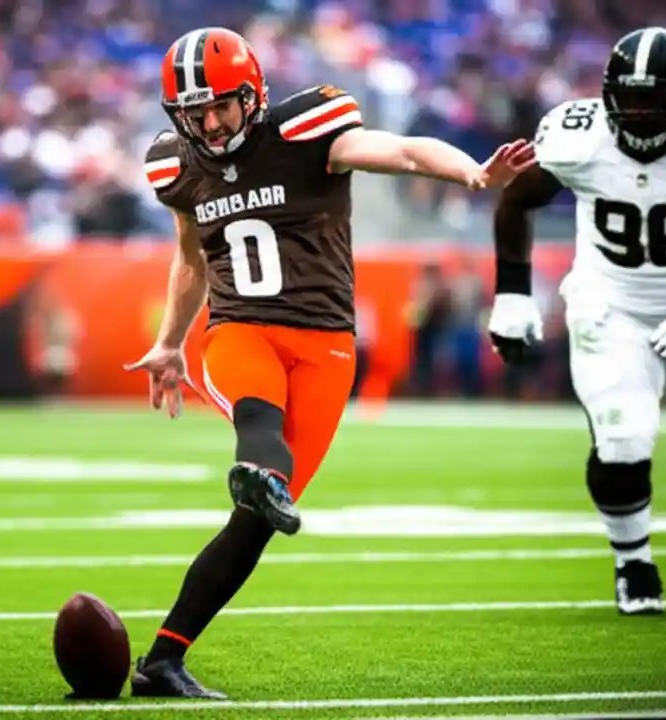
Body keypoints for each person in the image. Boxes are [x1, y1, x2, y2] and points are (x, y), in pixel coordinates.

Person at [123, 27, 536, 698]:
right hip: (239, 330)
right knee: (258, 430)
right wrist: (170, 341)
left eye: (222, 104)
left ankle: (163, 660)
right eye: (194, 111)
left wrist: (471, 173)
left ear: (252, 92)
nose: (209, 121)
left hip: (325, 346)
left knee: (257, 521)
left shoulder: (307, 130)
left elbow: (399, 150)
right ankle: (255, 472)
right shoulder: (177, 166)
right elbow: (192, 256)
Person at [487, 27, 666, 615]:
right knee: (623, 436)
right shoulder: (577, 137)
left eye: (653, 98)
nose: (638, 112)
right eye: (628, 97)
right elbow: (515, 200)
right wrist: (512, 295)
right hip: (611, 305)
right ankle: (633, 563)